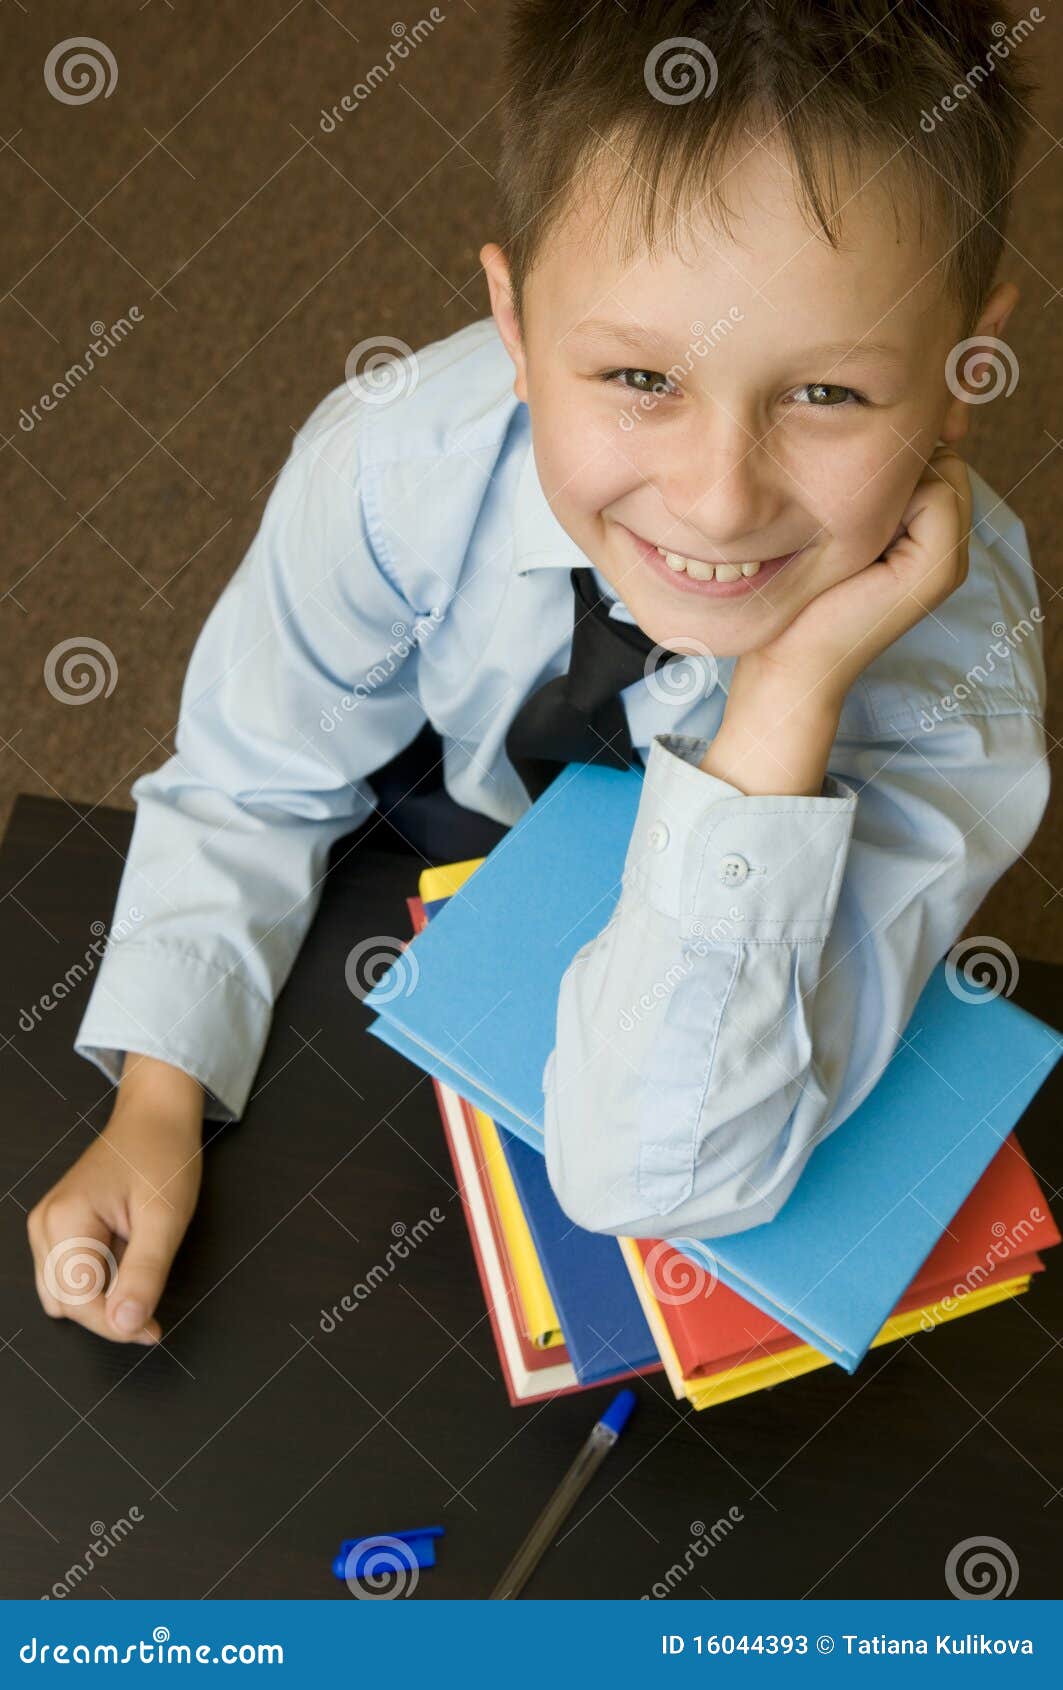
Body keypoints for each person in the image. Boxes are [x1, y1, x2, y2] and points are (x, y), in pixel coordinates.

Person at [27, 0, 1050, 1346]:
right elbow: (251, 778)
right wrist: (158, 1096)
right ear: (511, 321)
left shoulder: (958, 660)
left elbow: (662, 1164)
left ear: (966, 363)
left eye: (828, 396)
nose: (719, 498)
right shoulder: (392, 469)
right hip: (434, 859)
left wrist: (787, 697)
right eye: (638, 375)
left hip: (725, 941)